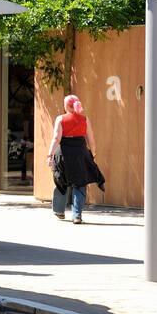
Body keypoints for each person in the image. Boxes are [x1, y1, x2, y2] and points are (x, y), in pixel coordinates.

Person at [48, 94, 104, 224]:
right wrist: (93, 155)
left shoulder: (60, 119)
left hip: (63, 154)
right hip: (80, 154)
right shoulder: (85, 119)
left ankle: (59, 211)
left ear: (66, 106)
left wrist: (50, 155)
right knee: (80, 184)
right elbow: (91, 140)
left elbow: (57, 138)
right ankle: (77, 215)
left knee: (61, 180)